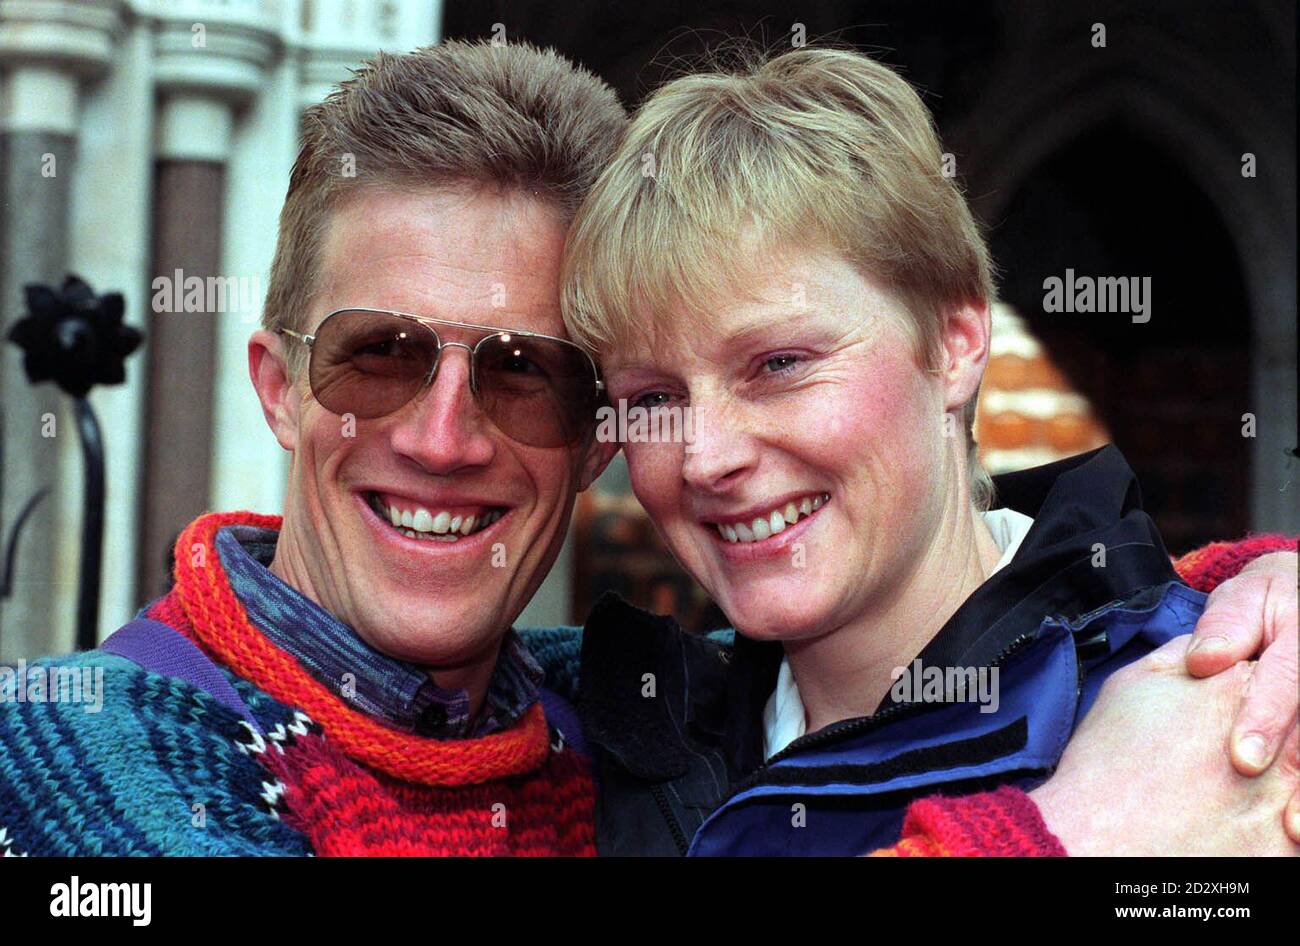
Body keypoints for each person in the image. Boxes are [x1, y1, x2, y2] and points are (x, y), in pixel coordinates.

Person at [0, 41, 1289, 857]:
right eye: (379, 356)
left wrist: (1241, 591)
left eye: (527, 376)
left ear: (961, 343)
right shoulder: (81, 753)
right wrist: (1055, 838)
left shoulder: (603, 714)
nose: (444, 437)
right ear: (279, 388)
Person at [558, 45, 1299, 855]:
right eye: (655, 399)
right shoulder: (596, 741)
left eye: (778, 365)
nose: (705, 458)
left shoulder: (1232, 723)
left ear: (954, 342)